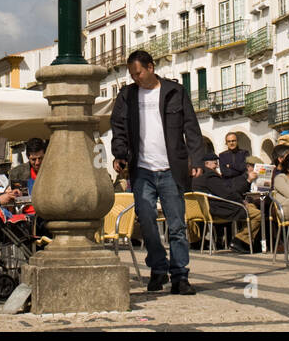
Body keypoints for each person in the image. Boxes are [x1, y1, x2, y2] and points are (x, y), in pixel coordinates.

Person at [109, 49, 205, 295]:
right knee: (147, 222)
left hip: (171, 169)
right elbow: (118, 126)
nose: (135, 78)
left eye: (138, 73)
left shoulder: (175, 92)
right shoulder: (127, 95)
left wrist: (196, 159)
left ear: (150, 68)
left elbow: (191, 127)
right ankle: (158, 268)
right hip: (142, 170)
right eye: (132, 74)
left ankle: (180, 276)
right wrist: (119, 154)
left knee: (176, 226)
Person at [195, 155, 260, 252]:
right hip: (219, 210)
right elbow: (226, 194)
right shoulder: (211, 177)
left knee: (252, 207)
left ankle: (250, 242)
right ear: (207, 164)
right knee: (257, 214)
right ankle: (240, 241)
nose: (217, 165)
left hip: (208, 209)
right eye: (215, 163)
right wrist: (241, 201)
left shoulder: (198, 178)